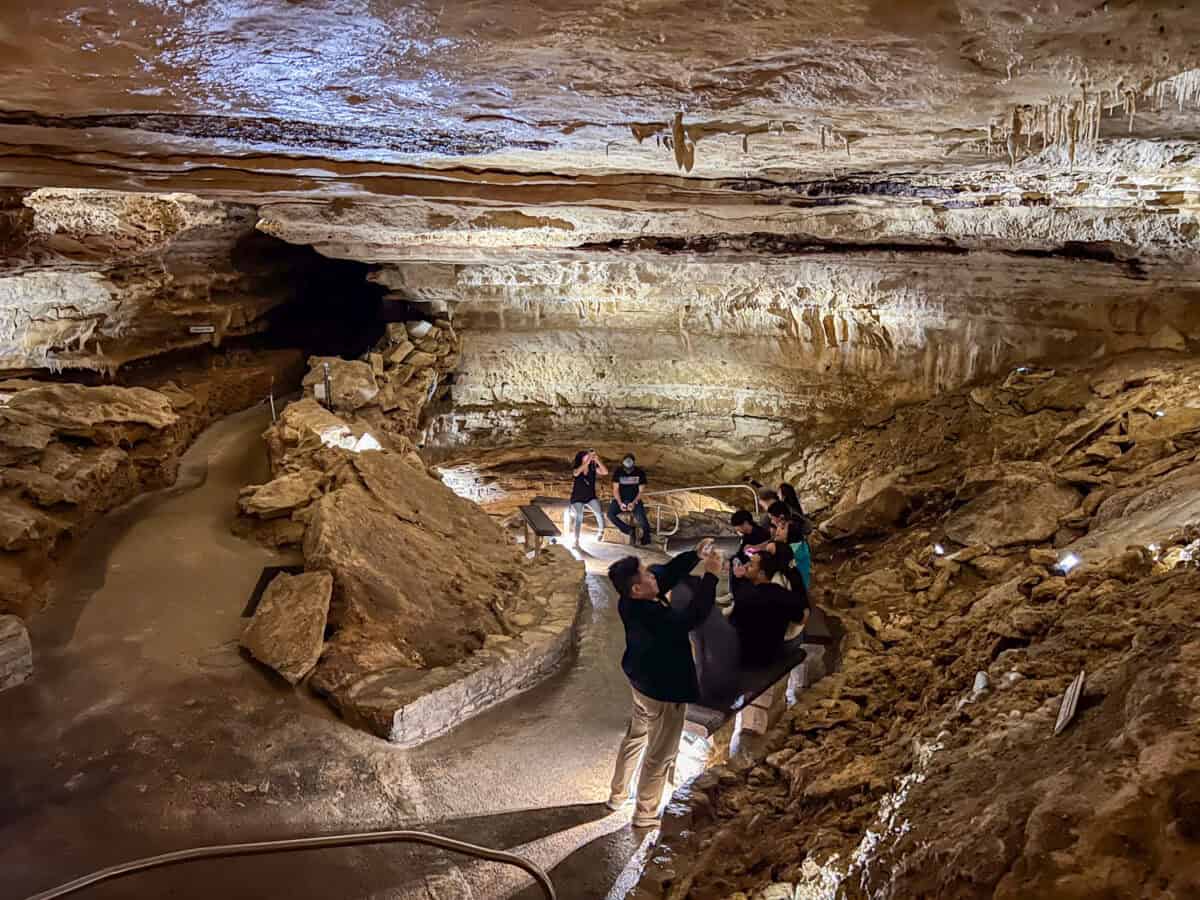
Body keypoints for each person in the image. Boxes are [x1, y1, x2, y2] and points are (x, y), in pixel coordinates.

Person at [606, 540, 723, 827]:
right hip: (663, 691)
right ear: (637, 589)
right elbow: (692, 617)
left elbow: (666, 572)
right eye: (646, 574)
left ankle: (617, 795)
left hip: (640, 683)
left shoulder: (631, 600)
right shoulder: (653, 616)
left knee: (635, 737)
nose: (653, 574)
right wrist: (711, 576)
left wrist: (694, 555)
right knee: (660, 753)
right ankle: (645, 812)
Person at [729, 543, 809, 668]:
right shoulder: (782, 594)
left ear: (761, 573)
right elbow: (802, 618)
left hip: (743, 659)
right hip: (771, 657)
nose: (745, 566)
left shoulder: (744, 593)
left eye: (750, 565)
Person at [565, 448, 608, 546]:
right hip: (577, 497)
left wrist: (597, 460)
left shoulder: (593, 468)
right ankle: (576, 539)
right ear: (581, 458)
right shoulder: (578, 468)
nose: (589, 457)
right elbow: (576, 473)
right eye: (586, 456)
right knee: (579, 515)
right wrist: (587, 462)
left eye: (589, 456)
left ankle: (601, 531)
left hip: (590, 496)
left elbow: (605, 472)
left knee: (598, 512)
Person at [768, 500, 813, 590]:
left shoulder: (790, 528)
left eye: (772, 518)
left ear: (781, 517)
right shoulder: (791, 524)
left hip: (798, 565)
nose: (772, 521)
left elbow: (780, 543)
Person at [609, 453, 652, 545]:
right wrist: (620, 503)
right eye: (626, 468)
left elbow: (641, 491)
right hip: (621, 499)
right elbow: (615, 489)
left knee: (641, 517)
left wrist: (634, 502)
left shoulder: (640, 473)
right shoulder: (618, 472)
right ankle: (629, 530)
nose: (628, 471)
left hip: (634, 499)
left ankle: (646, 536)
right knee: (610, 514)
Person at [729, 508, 771, 599]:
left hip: (756, 563)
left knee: (741, 570)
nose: (736, 529)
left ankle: (739, 596)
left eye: (737, 526)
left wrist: (747, 561)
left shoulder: (761, 533)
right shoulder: (746, 535)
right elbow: (741, 552)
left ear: (745, 523)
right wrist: (735, 559)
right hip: (746, 560)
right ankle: (733, 594)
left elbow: (762, 555)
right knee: (733, 562)